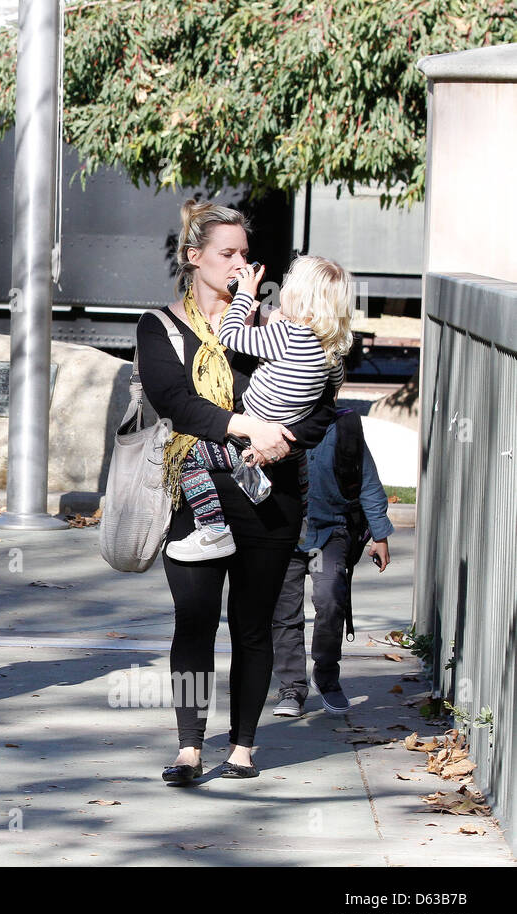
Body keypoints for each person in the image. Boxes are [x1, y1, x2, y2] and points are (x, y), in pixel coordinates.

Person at [136, 200, 337, 784]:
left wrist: (288, 440)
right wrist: (249, 425)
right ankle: (189, 747)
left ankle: (243, 747)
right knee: (194, 621)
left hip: (271, 493)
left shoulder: (273, 326)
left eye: (244, 253)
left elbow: (323, 405)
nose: (239, 263)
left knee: (253, 625)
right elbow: (175, 401)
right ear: (193, 257)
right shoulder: (161, 326)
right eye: (226, 253)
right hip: (196, 491)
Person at [166, 255, 355, 561]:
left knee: (189, 458)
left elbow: (229, 335)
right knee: (300, 463)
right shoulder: (330, 349)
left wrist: (244, 296)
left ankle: (212, 530)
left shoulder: (284, 336)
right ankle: (305, 520)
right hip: (289, 445)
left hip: (249, 435)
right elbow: (334, 386)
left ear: (297, 296)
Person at [272, 410, 393, 716]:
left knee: (329, 598)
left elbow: (368, 482)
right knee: (286, 611)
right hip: (284, 534)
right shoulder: (274, 418)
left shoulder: (344, 428)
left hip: (329, 533)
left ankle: (326, 676)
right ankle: (291, 688)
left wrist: (380, 535)